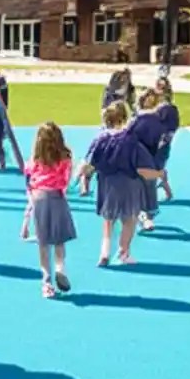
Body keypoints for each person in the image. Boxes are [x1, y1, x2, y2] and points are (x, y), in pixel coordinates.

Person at [78, 102, 162, 266]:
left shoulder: (100, 139)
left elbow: (88, 163)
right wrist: (159, 174)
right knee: (129, 219)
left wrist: (84, 179)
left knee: (108, 220)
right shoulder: (131, 140)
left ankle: (104, 252)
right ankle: (124, 252)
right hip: (128, 184)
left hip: (107, 184)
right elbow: (142, 168)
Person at [23, 122, 77, 298]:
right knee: (59, 240)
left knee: (43, 242)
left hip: (39, 197)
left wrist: (26, 219)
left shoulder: (34, 160)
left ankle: (46, 281)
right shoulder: (65, 159)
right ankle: (60, 267)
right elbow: (65, 180)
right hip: (56, 196)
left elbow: (29, 180)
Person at [129, 89, 165, 232]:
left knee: (140, 186)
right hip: (150, 157)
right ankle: (146, 215)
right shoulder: (157, 121)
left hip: (139, 158)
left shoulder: (137, 120)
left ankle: (142, 214)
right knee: (148, 186)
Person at [154, 76, 180, 201]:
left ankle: (150, 194)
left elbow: (172, 128)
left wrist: (163, 141)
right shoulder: (158, 107)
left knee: (154, 166)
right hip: (156, 141)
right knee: (157, 167)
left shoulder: (168, 109)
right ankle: (166, 189)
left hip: (161, 143)